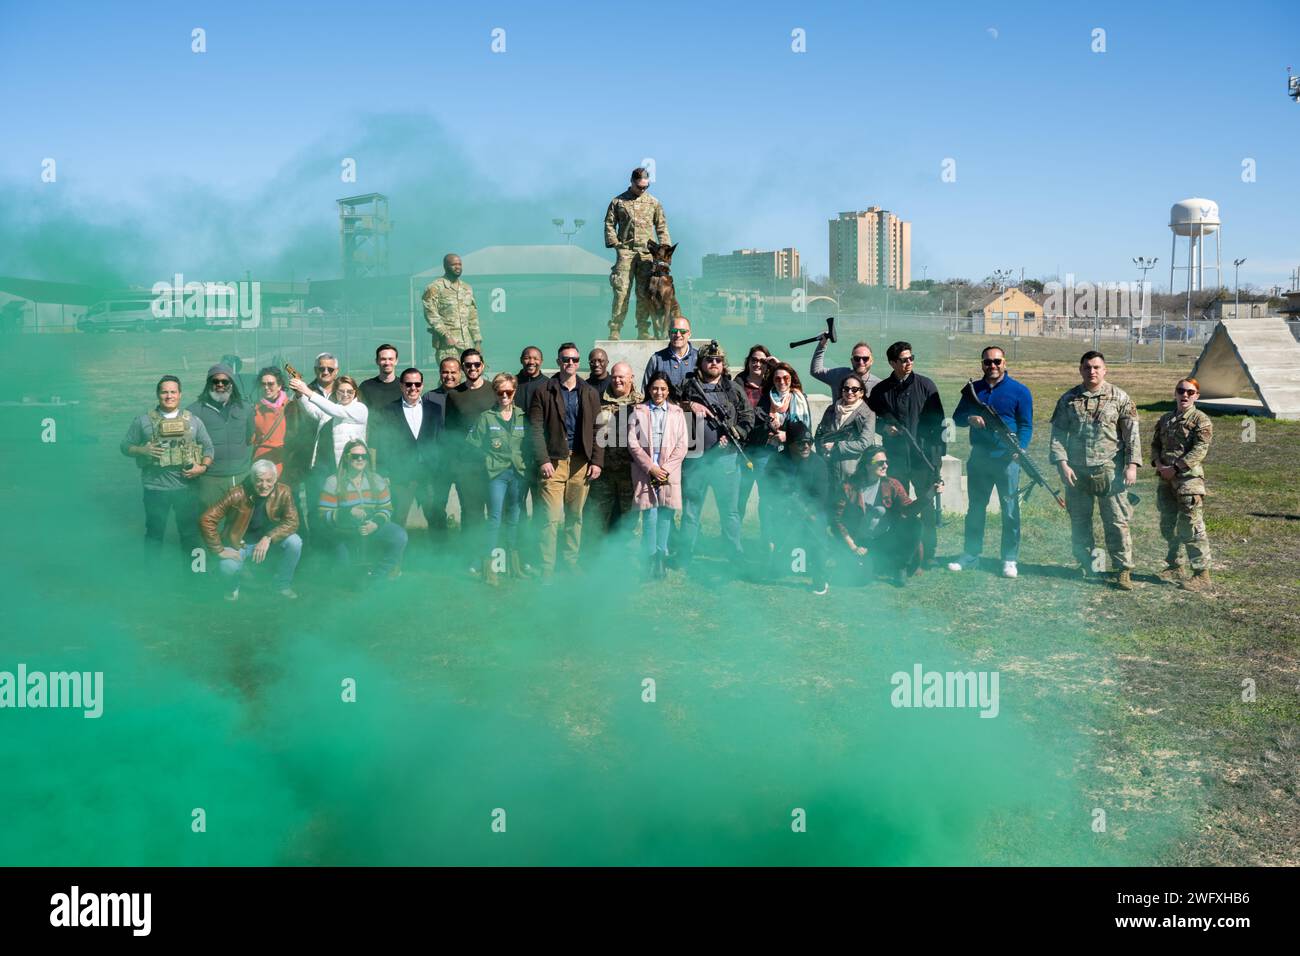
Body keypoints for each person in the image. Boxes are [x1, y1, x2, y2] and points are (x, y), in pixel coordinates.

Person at [1049, 351, 1141, 590]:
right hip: (1076, 472)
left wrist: (1131, 466)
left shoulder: (1120, 398)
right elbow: (1058, 436)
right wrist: (1062, 464)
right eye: (1087, 367)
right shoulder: (1068, 399)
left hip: (1110, 470)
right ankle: (1085, 563)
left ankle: (1123, 569)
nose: (1092, 371)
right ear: (1080, 370)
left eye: (1097, 367)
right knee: (1080, 521)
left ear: (1105, 370)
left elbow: (1132, 436)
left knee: (1116, 522)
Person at [947, 346, 1033, 579]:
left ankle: (1009, 559)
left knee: (1010, 511)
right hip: (979, 458)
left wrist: (1020, 449)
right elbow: (956, 418)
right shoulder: (974, 390)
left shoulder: (1020, 391)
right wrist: (969, 418)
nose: (992, 366)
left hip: (1007, 461)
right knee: (975, 509)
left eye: (997, 361)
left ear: (1004, 362)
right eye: (987, 362)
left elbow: (1026, 425)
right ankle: (971, 554)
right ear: (982, 364)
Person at [528, 342, 605, 578]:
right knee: (550, 519)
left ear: (578, 362)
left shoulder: (589, 392)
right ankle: (547, 568)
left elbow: (599, 427)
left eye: (574, 359)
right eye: (565, 359)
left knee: (575, 517)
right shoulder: (544, 390)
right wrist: (542, 459)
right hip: (554, 462)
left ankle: (570, 564)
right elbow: (536, 428)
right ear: (558, 361)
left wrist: (597, 461)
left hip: (581, 463)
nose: (569, 363)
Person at [866, 341, 946, 566]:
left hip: (923, 459)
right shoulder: (881, 391)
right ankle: (900, 552)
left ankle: (929, 553)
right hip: (896, 459)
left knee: (926, 506)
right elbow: (871, 420)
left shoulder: (926, 386)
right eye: (903, 359)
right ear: (892, 363)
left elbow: (939, 424)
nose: (909, 362)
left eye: (911, 358)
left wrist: (937, 458)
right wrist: (885, 429)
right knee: (898, 507)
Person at [677, 341, 755, 568]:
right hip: (695, 460)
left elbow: (747, 417)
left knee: (729, 512)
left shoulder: (733, 389)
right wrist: (690, 404)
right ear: (701, 362)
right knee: (691, 511)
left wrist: (734, 434)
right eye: (709, 360)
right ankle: (685, 554)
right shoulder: (688, 385)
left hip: (725, 460)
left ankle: (734, 554)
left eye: (718, 360)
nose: (713, 363)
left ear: (723, 364)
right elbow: (668, 402)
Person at [121, 375, 214, 559]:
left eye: (173, 392)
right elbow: (125, 446)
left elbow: (209, 448)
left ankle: (193, 579)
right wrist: (142, 450)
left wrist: (202, 467)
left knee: (190, 535)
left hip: (187, 489)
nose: (169, 396)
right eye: (164, 392)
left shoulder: (193, 421)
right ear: (157, 394)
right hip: (155, 488)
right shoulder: (143, 421)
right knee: (154, 535)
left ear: (180, 395)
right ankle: (153, 580)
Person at [200, 458, 302, 601]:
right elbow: (207, 519)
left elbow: (292, 521)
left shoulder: (283, 492)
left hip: (267, 544)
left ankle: (282, 585)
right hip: (239, 545)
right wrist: (219, 549)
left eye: (269, 480)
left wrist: (269, 538)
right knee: (227, 567)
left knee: (295, 542)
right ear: (252, 479)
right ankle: (232, 587)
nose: (264, 485)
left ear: (275, 479)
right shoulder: (236, 493)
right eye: (259, 480)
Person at [833, 448, 936, 587]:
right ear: (868, 465)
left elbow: (908, 510)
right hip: (861, 542)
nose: (885, 465)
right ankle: (875, 564)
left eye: (886, 462)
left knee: (914, 523)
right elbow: (836, 520)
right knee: (862, 580)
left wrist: (930, 494)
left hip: (885, 540)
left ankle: (900, 567)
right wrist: (853, 546)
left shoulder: (891, 484)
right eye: (880, 462)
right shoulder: (849, 487)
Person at [1151, 377, 1213, 591]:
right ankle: (1175, 565)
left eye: (1189, 392)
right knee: (1167, 524)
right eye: (1180, 391)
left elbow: (1200, 450)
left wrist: (1175, 468)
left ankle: (1201, 574)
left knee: (1191, 526)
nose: (1184, 395)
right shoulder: (1166, 419)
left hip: (1188, 482)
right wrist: (1158, 464)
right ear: (1175, 393)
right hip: (1165, 480)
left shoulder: (1201, 420)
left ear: (1197, 395)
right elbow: (1155, 444)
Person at [467, 373, 529, 585]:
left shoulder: (522, 416)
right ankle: (490, 568)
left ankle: (513, 565)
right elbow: (472, 445)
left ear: (514, 392)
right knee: (494, 519)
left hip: (517, 473)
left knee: (514, 518)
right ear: (494, 392)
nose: (504, 395)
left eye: (508, 392)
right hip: (496, 475)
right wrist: (486, 461)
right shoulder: (486, 417)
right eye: (500, 392)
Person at [372, 367, 447, 544]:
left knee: (436, 516)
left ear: (422, 385)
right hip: (401, 476)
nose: (413, 388)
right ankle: (395, 562)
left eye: (417, 384)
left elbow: (440, 441)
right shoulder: (388, 410)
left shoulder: (434, 409)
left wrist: (439, 469)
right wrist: (384, 472)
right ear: (401, 386)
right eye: (408, 384)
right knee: (398, 517)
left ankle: (443, 559)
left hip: (428, 475)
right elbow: (384, 443)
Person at [289, 372, 369, 537]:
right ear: (335, 393)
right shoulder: (329, 410)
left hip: (343, 469)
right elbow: (313, 409)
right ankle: (318, 545)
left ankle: (343, 548)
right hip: (321, 467)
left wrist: (308, 391)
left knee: (343, 509)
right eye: (341, 391)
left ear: (355, 392)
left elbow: (336, 410)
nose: (345, 394)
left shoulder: (359, 409)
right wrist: (300, 393)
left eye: (349, 391)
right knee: (318, 508)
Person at [319, 438, 407, 581]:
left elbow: (386, 508)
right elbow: (323, 515)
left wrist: (375, 524)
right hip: (344, 533)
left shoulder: (377, 480)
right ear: (347, 458)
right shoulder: (333, 482)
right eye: (355, 456)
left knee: (399, 535)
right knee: (346, 579)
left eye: (364, 456)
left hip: (371, 528)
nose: (360, 459)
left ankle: (379, 575)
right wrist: (347, 513)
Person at [628, 372, 689, 579]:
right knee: (650, 514)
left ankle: (661, 557)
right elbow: (632, 443)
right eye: (655, 388)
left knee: (665, 514)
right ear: (649, 389)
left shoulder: (677, 412)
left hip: (668, 471)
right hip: (646, 469)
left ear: (668, 390)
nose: (658, 392)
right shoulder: (639, 411)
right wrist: (650, 467)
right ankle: (650, 557)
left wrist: (666, 469)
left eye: (663, 388)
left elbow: (682, 445)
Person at [752, 361, 814, 553]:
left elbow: (805, 430)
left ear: (791, 379)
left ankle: (789, 542)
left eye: (786, 378)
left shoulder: (799, 399)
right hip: (768, 453)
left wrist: (787, 436)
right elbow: (756, 423)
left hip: (791, 456)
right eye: (777, 378)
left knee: (793, 497)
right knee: (767, 499)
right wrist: (768, 429)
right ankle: (768, 541)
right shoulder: (765, 398)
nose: (781, 381)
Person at [604, 166, 671, 340]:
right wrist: (616, 244)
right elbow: (609, 224)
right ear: (632, 182)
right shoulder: (618, 202)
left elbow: (662, 227)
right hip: (625, 252)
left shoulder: (654, 203)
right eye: (639, 186)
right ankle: (615, 329)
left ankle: (643, 329)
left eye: (645, 187)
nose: (642, 190)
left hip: (647, 255)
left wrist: (664, 250)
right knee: (621, 291)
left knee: (644, 294)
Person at [767, 421, 832, 595]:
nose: (806, 446)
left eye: (809, 443)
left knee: (817, 539)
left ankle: (820, 579)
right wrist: (783, 505)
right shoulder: (777, 460)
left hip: (811, 511)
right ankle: (777, 566)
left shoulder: (818, 464)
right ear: (790, 444)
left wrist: (807, 511)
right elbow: (769, 487)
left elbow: (821, 497)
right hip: (785, 509)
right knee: (779, 537)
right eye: (801, 443)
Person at [586, 361, 641, 553]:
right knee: (600, 517)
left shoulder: (641, 404)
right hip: (605, 472)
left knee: (630, 517)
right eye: (615, 376)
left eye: (622, 377)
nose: (617, 380)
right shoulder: (599, 402)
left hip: (631, 473)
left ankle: (627, 556)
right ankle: (597, 556)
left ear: (631, 378)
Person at [444, 347, 495, 552]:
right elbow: (450, 432)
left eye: (476, 364)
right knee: (471, 512)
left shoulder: (494, 390)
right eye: (468, 365)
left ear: (482, 365)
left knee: (495, 511)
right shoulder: (454, 395)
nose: (472, 368)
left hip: (493, 463)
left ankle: (494, 554)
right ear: (463, 368)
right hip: (466, 466)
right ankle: (471, 557)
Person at [188, 363, 254, 508]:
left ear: (232, 384)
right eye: (215, 381)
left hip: (241, 476)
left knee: (240, 523)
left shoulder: (246, 408)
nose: (220, 384)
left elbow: (250, 438)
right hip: (210, 478)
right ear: (208, 384)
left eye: (225, 381)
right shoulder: (193, 411)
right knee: (210, 522)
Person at [815, 373, 878, 492]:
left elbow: (865, 443)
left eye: (855, 389)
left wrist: (836, 446)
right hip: (829, 470)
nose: (850, 392)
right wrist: (822, 451)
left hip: (853, 473)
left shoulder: (868, 415)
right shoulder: (831, 410)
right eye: (846, 389)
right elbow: (819, 435)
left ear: (861, 393)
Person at [251, 366, 309, 487]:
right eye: (263, 384)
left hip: (286, 466)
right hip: (262, 466)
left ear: (279, 386)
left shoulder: (292, 408)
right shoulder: (254, 410)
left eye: (271, 384)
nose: (266, 387)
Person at [423, 253, 481, 364]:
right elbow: (431, 314)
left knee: (468, 378)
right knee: (449, 377)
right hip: (448, 346)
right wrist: (446, 335)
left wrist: (477, 342)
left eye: (459, 264)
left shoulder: (467, 288)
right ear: (445, 266)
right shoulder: (434, 287)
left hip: (468, 345)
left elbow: (473, 317)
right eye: (454, 264)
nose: (458, 267)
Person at [642, 315, 698, 396]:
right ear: (669, 333)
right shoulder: (657, 359)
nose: (678, 334)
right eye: (674, 331)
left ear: (689, 334)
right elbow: (645, 390)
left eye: (682, 331)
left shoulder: (699, 358)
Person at [811, 336, 881, 398]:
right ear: (852, 361)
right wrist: (822, 345)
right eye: (857, 358)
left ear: (871, 361)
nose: (861, 362)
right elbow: (816, 370)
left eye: (865, 358)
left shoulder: (879, 385)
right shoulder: (839, 375)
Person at [358, 343, 403, 410]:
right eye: (383, 359)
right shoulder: (366, 387)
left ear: (396, 361)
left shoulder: (404, 386)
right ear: (377, 361)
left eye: (390, 359)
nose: (387, 363)